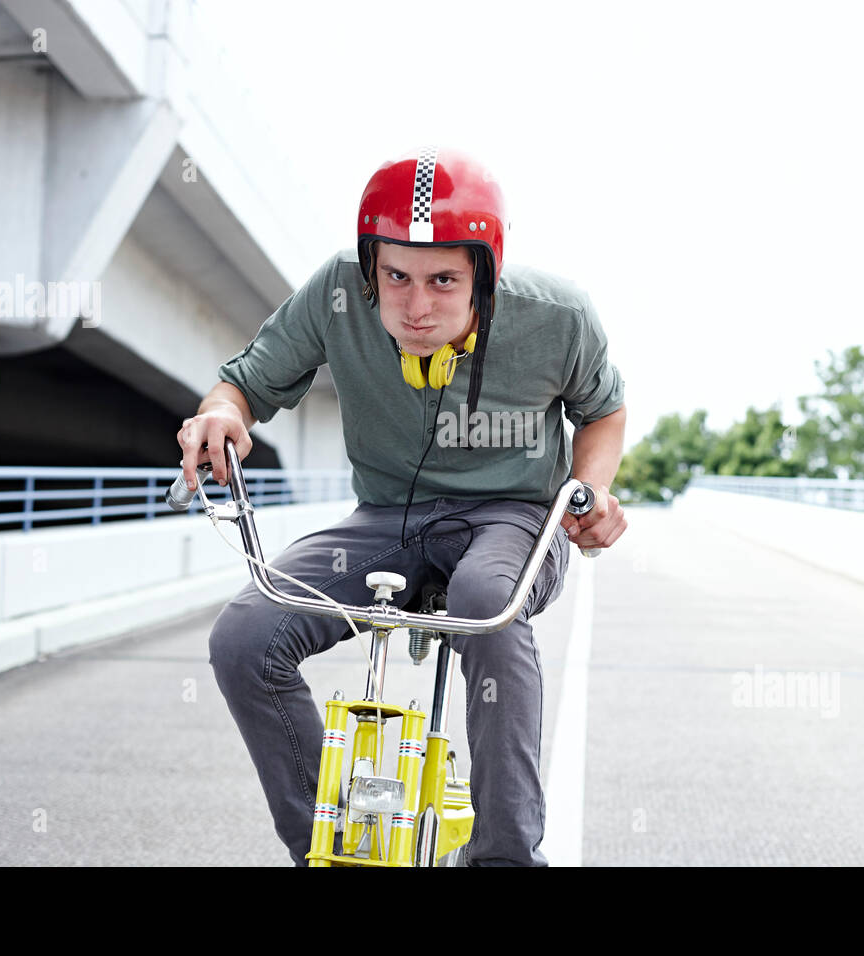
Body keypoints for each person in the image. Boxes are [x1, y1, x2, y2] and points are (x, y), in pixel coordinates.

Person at [180, 146, 627, 866]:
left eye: (444, 279)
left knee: (487, 597)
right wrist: (218, 416)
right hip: (385, 521)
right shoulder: (335, 295)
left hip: (511, 517)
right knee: (244, 637)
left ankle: (505, 857)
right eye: (395, 276)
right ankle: (329, 844)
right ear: (369, 269)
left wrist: (592, 491)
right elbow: (242, 385)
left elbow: (603, 411)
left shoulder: (559, 315)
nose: (416, 306)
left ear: (486, 271)